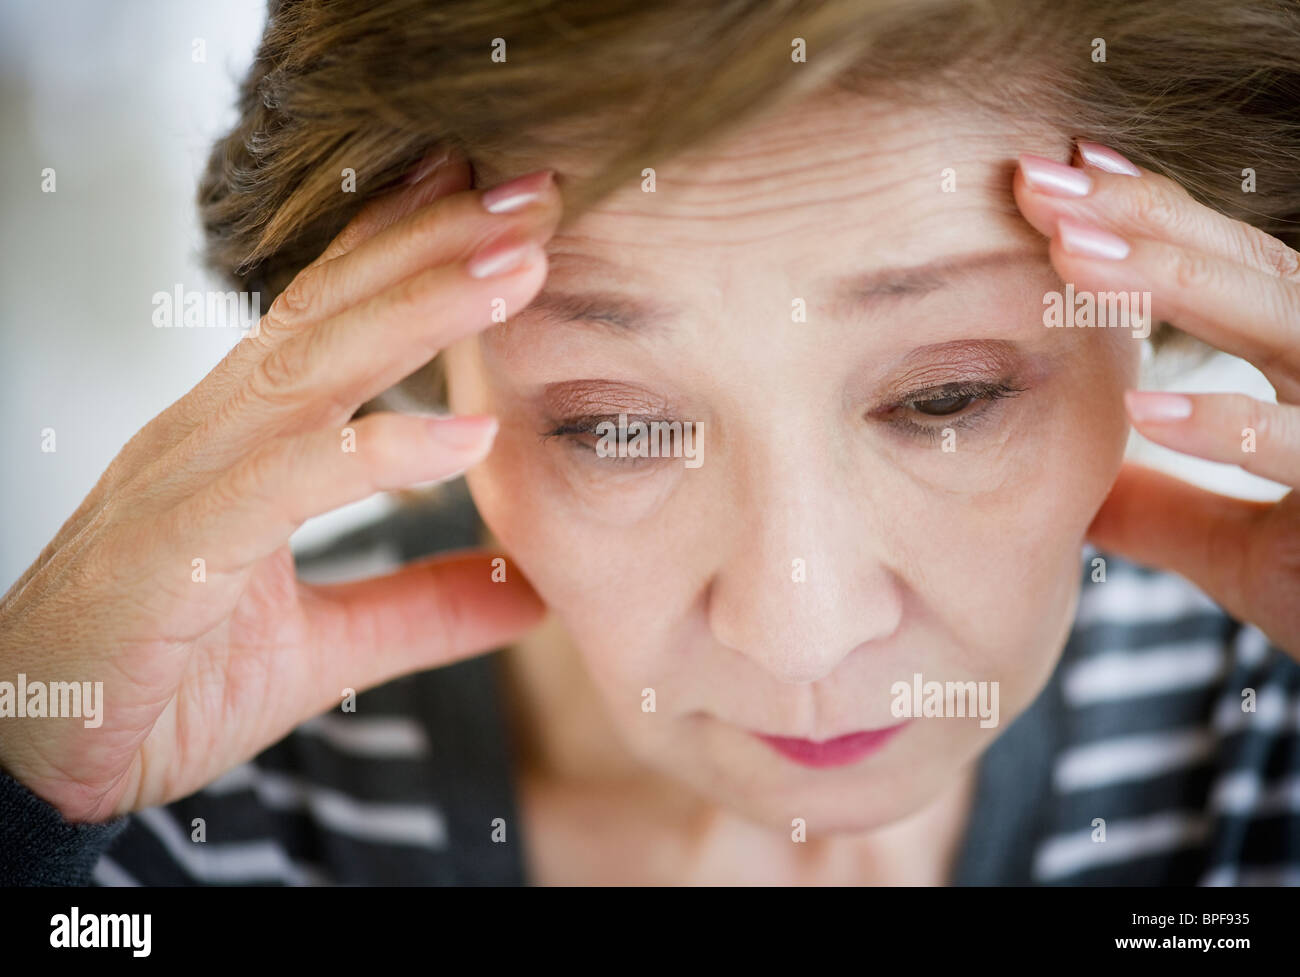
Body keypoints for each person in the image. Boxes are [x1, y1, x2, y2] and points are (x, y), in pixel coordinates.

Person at [2, 0, 1299, 885]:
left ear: (1158, 302)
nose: (802, 631)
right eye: (614, 424)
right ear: (405, 353)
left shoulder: (1266, 738)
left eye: (948, 398)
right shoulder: (159, 813)